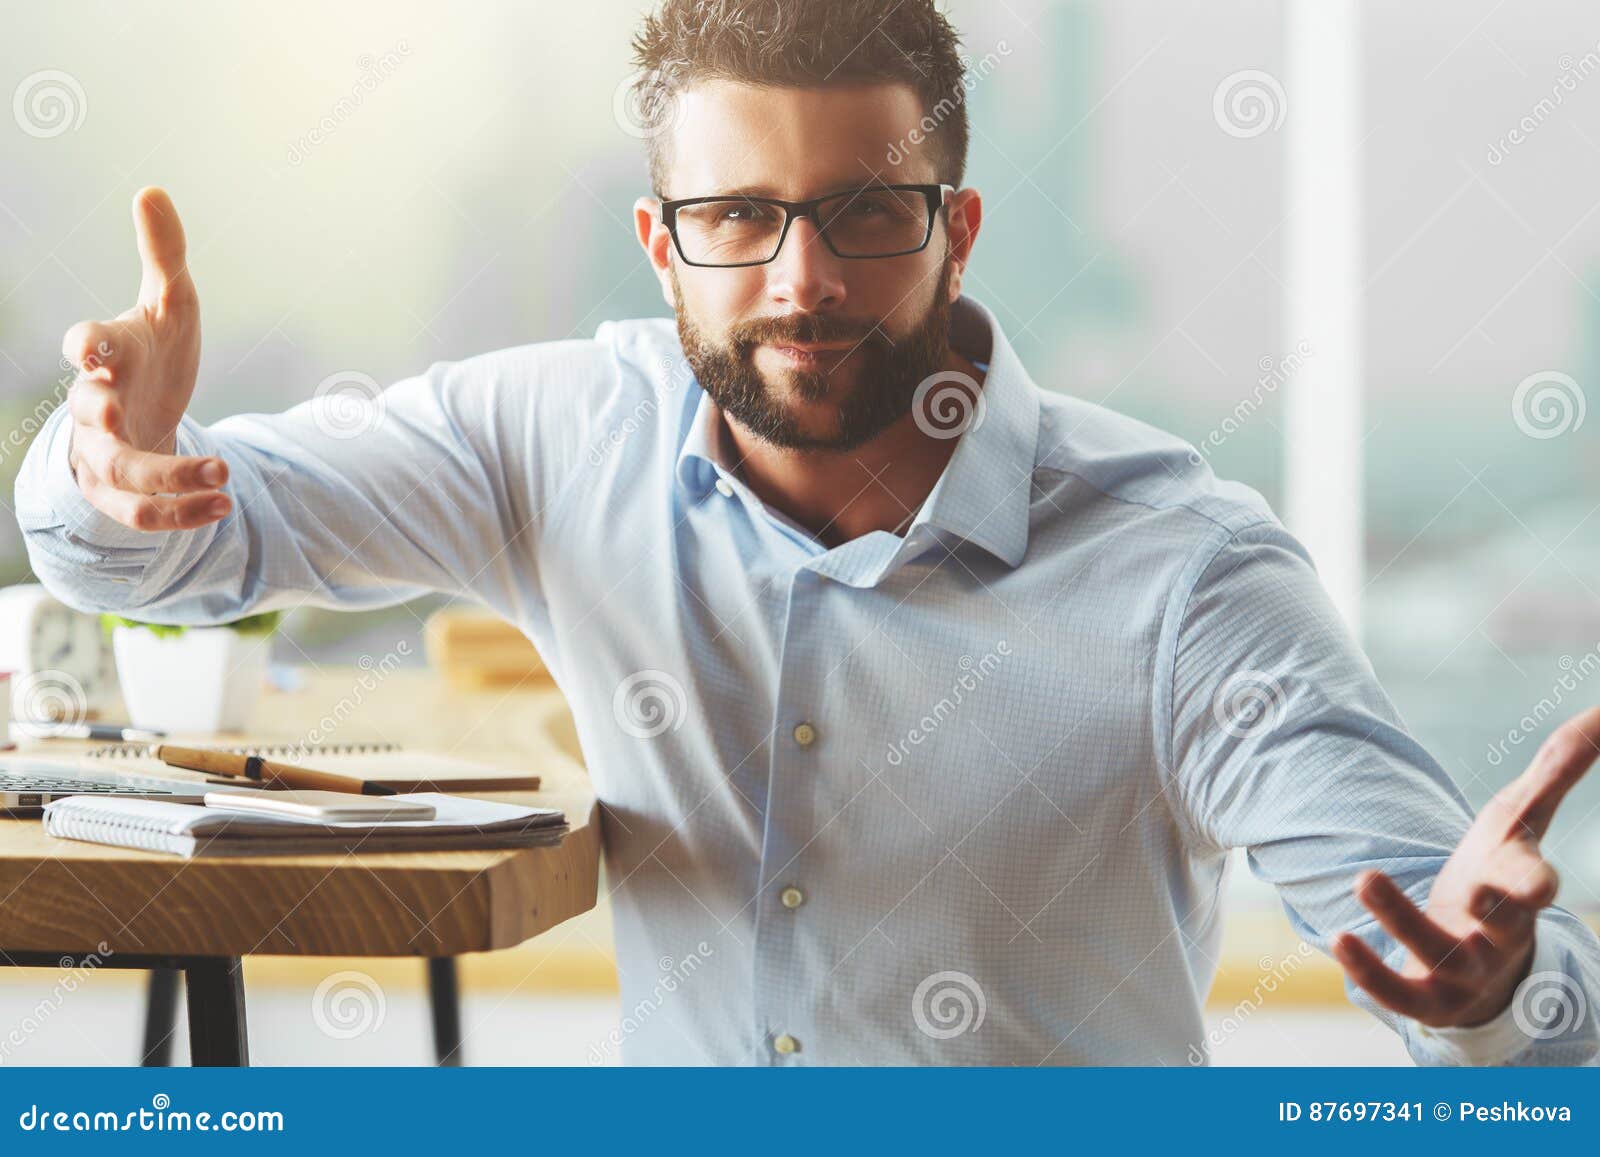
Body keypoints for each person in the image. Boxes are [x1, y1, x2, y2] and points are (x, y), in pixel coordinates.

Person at [17, 0, 1600, 1065]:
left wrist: (1493, 989)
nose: (802, 280)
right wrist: (108, 464)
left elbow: (1468, 958)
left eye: (866, 209)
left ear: (956, 227)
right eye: (737, 218)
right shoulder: (559, 438)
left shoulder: (1186, 572)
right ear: (661, 244)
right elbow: (175, 549)